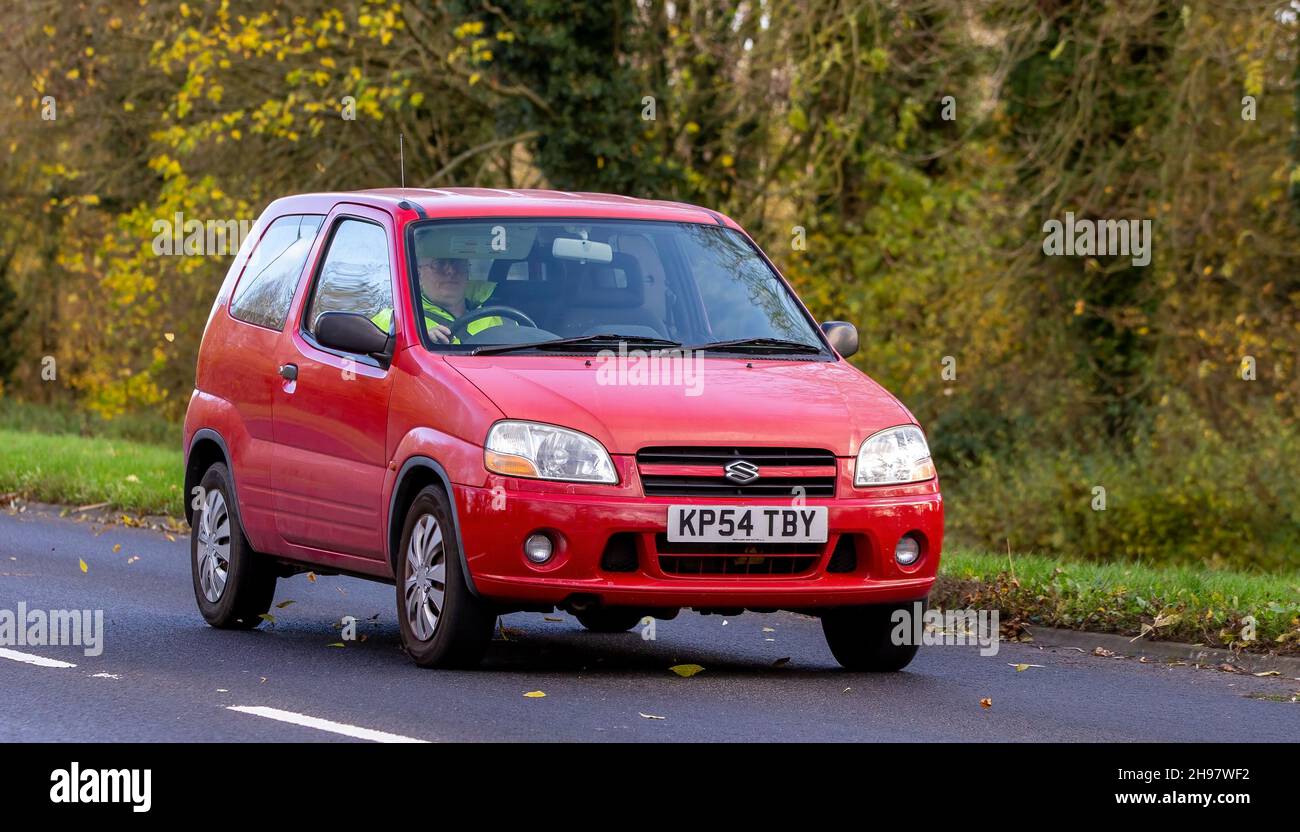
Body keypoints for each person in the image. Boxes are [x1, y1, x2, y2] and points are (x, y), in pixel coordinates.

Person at [371, 256, 507, 344]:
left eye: (457, 262)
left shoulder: (500, 318)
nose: (450, 271)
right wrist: (417, 344)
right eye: (439, 263)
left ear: (467, 272)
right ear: (418, 275)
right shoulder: (393, 319)